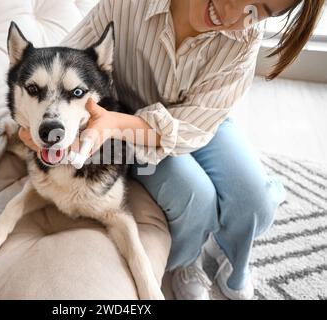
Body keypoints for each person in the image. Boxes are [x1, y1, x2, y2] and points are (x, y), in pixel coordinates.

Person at [18, 0, 325, 299]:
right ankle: (186, 262)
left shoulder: (243, 40)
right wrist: (43, 122)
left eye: (255, 11)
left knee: (255, 199)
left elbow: (196, 124)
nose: (231, 13)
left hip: (198, 119)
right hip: (125, 123)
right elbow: (63, 64)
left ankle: (229, 253)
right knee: (195, 197)